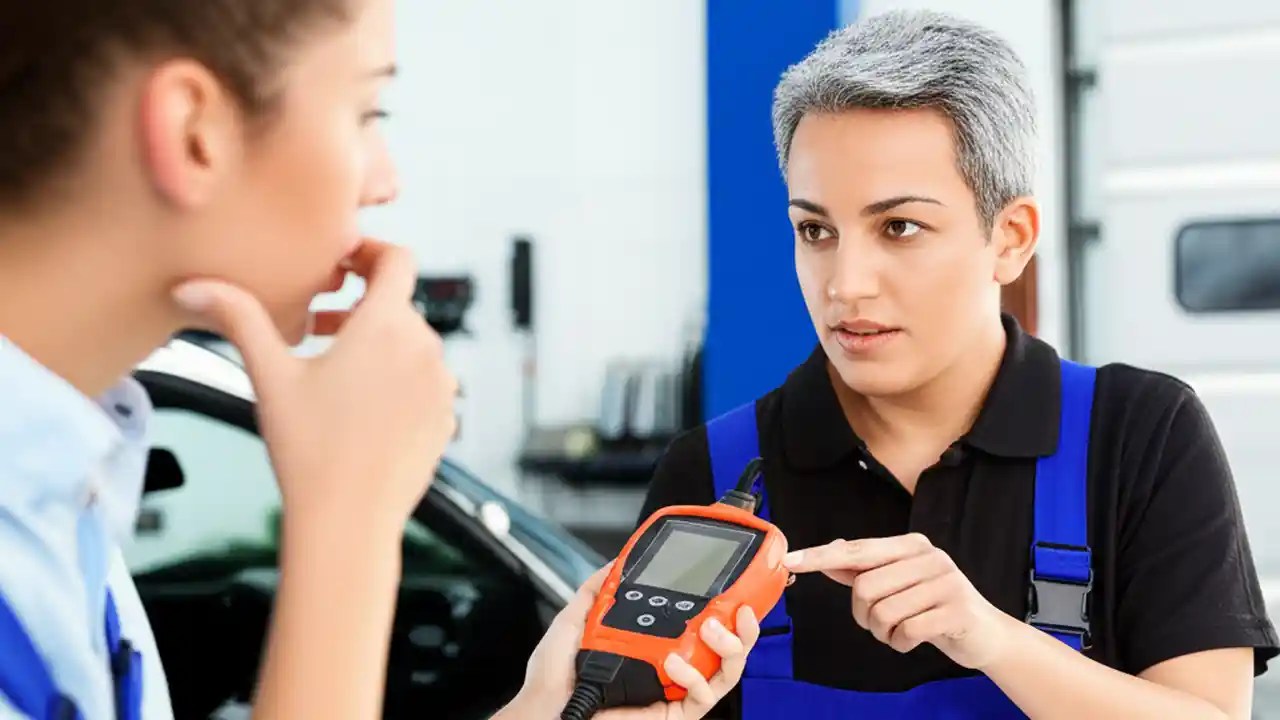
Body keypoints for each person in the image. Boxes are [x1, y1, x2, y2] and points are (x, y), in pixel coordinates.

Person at [0, 1, 756, 718]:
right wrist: (347, 516)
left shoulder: (67, 498)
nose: (385, 181)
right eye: (368, 113)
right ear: (195, 130)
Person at [640, 9, 1278, 720]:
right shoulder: (710, 477)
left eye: (899, 227)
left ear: (1010, 238)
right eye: (815, 230)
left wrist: (993, 641)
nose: (845, 283)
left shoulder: (1139, 438)